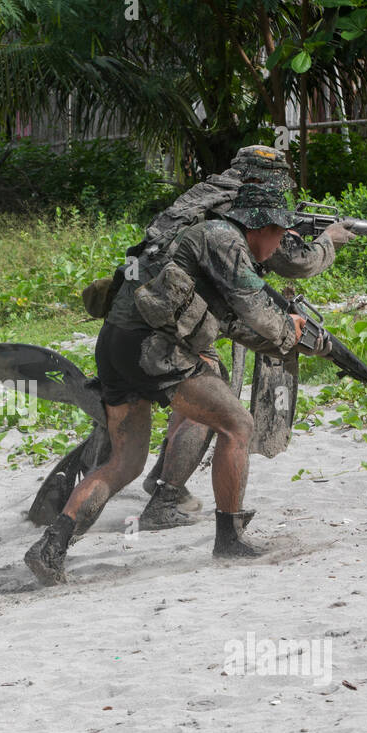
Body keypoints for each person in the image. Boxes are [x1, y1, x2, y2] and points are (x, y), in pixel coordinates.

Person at [25, 184, 335, 586]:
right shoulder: (226, 239)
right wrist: (289, 332)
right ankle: (230, 537)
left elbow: (236, 325)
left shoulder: (213, 242)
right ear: (262, 226)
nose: (280, 246)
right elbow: (258, 312)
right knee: (237, 425)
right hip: (151, 351)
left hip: (117, 344)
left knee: (124, 463)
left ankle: (50, 548)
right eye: (280, 235)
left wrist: (298, 341)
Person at [83, 145, 355, 530]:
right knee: (215, 400)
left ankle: (134, 490)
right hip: (174, 319)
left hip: (138, 309)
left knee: (143, 418)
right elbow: (296, 263)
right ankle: (167, 496)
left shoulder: (205, 194)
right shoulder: (244, 212)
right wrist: (328, 241)